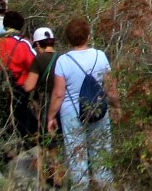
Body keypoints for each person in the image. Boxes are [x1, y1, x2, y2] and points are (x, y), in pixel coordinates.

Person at [49, 18, 119, 191]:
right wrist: (117, 105)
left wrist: (51, 116)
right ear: (88, 36)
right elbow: (110, 87)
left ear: (68, 38)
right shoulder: (100, 56)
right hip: (98, 109)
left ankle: (80, 187)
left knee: (76, 156)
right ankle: (105, 187)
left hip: (71, 113)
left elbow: (59, 94)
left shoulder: (63, 61)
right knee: (101, 153)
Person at [0, 10, 37, 147]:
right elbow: (35, 66)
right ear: (20, 26)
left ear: (4, 25)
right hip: (19, 91)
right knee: (21, 125)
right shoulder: (24, 44)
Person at [22, 27, 62, 172]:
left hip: (47, 105)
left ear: (38, 44)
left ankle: (52, 171)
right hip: (64, 105)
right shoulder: (62, 57)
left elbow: (29, 86)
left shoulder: (39, 60)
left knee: (47, 140)